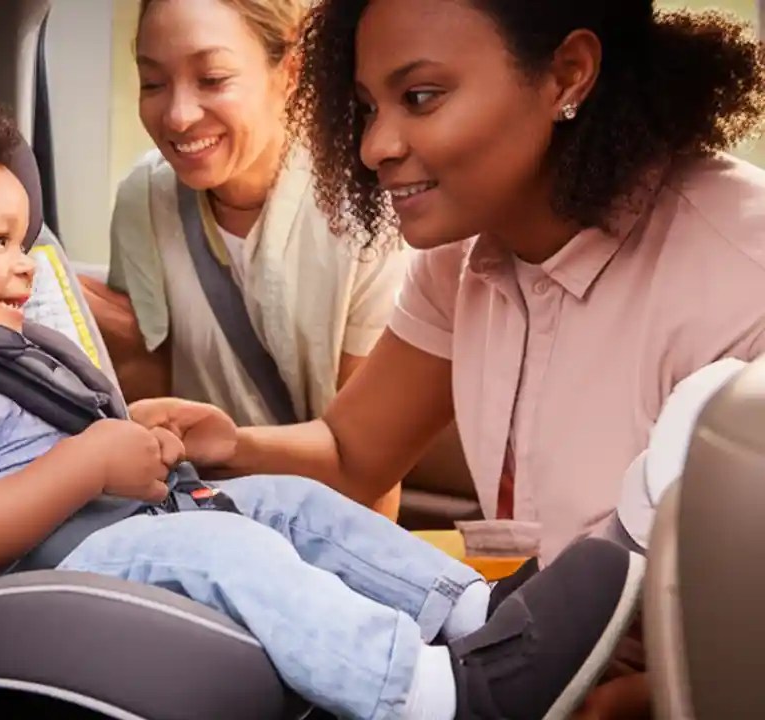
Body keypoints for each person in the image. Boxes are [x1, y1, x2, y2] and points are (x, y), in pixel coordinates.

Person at [0, 73, 644, 720]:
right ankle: (430, 697)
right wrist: (88, 461)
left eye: (25, 241)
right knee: (226, 552)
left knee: (287, 504)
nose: (27, 263)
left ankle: (476, 610)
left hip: (102, 536)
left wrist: (120, 444)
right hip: (29, 580)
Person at [128, 0, 765, 715]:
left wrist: (645, 699)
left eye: (420, 98)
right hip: (523, 645)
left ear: (568, 76)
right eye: (369, 106)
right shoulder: (458, 257)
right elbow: (351, 451)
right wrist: (230, 443)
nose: (375, 145)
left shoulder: (745, 273)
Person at [82, 0, 410, 519]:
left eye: (212, 78)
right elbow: (152, 410)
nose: (178, 115)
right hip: (205, 520)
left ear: (291, 73)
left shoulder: (367, 208)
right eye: (152, 83)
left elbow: (372, 473)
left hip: (332, 525)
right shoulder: (145, 198)